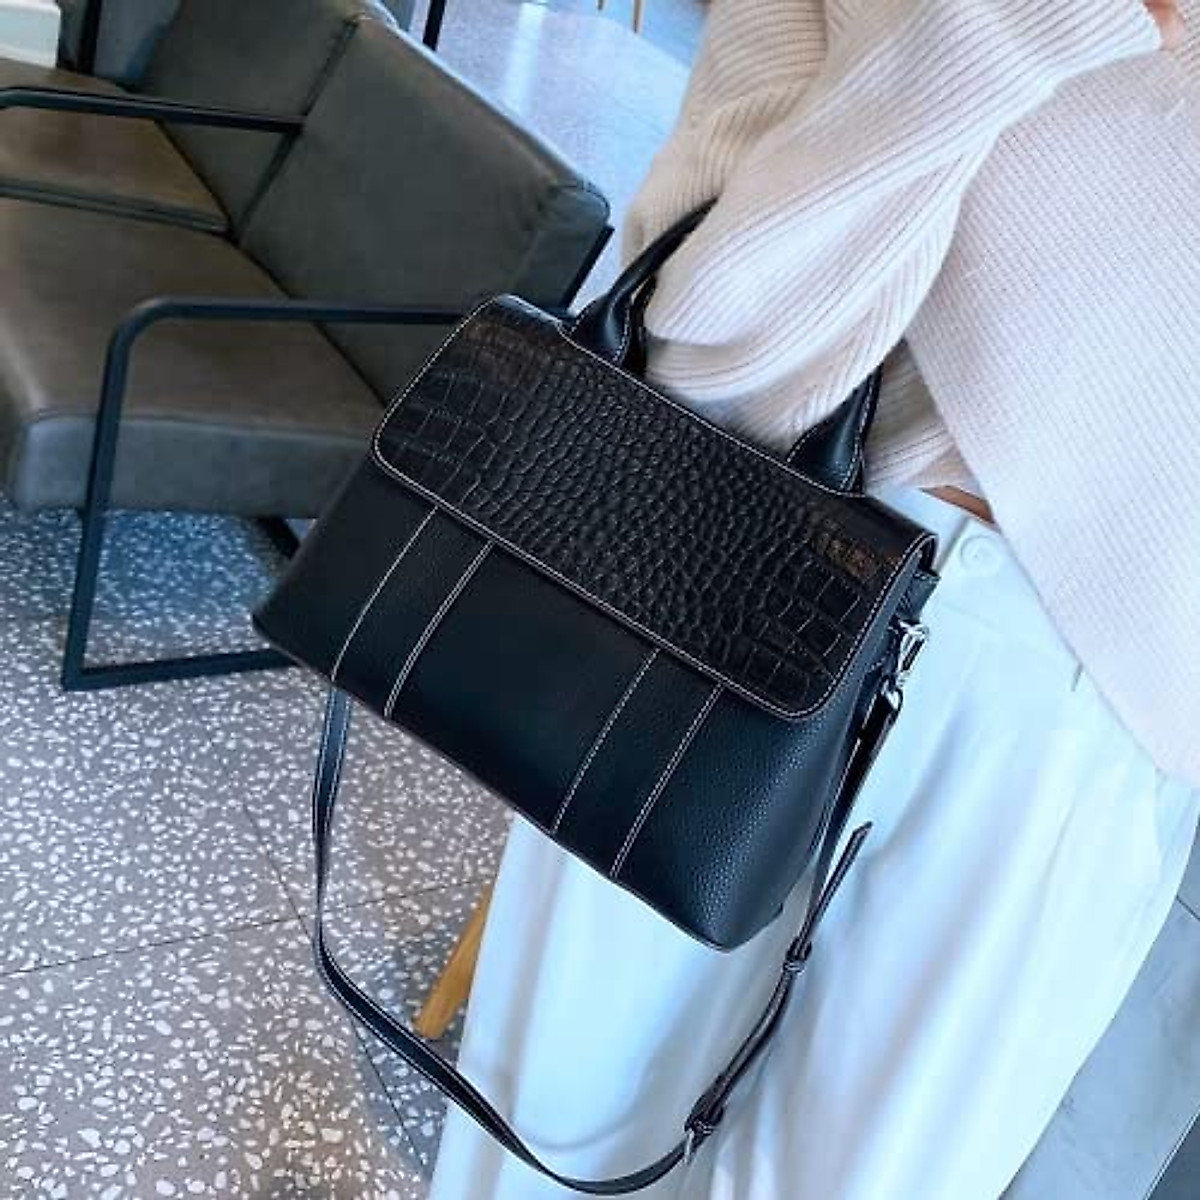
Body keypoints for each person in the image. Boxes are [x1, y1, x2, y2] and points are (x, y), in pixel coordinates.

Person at [430, 2, 1200, 1197]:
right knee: (539, 1132)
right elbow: (703, 346)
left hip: (1098, 702)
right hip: (726, 558)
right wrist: (996, 31)